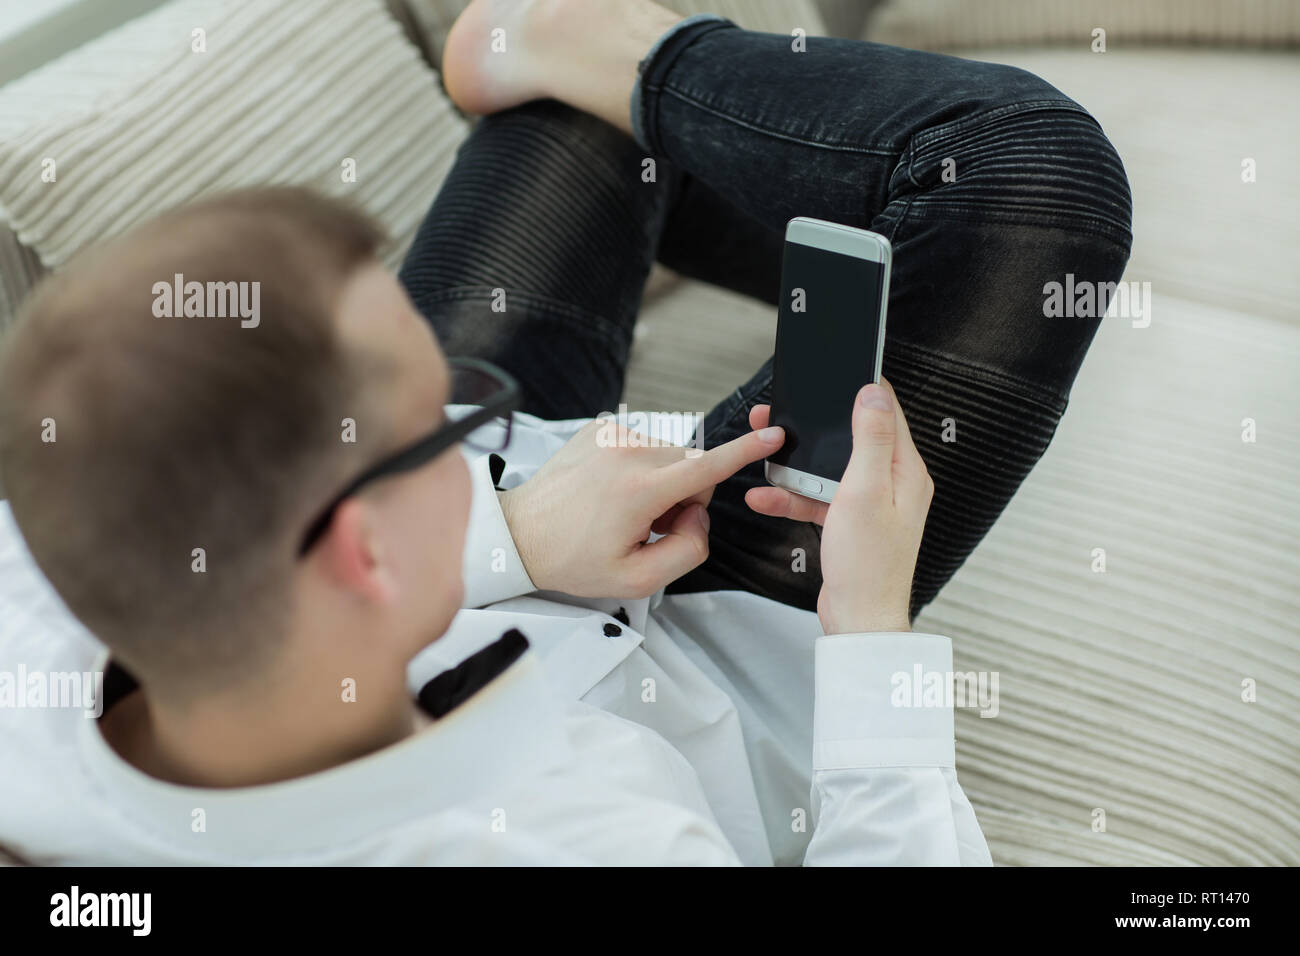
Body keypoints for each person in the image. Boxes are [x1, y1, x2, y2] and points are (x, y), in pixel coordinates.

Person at [0, 0, 1130, 866]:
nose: (465, 425)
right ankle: (691, 119)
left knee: (573, 107)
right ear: (365, 548)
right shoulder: (583, 831)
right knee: (1037, 173)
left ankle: (662, 132)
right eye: (443, 425)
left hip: (521, 533)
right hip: (718, 623)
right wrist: (870, 631)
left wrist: (508, 535)